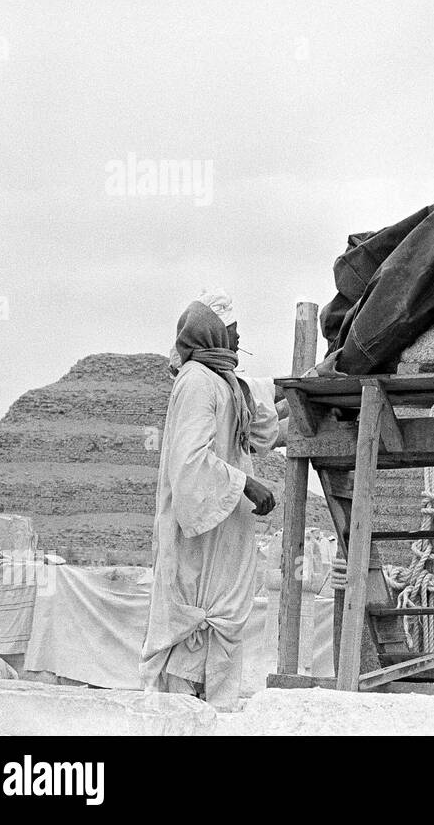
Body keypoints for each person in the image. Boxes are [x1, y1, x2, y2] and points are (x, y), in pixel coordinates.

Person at [139, 290, 281, 709]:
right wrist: (246, 486)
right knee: (192, 630)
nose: (238, 341)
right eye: (233, 332)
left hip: (222, 534)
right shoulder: (197, 383)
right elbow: (189, 462)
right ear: (215, 334)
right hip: (198, 539)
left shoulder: (225, 384)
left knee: (218, 629)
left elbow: (257, 433)